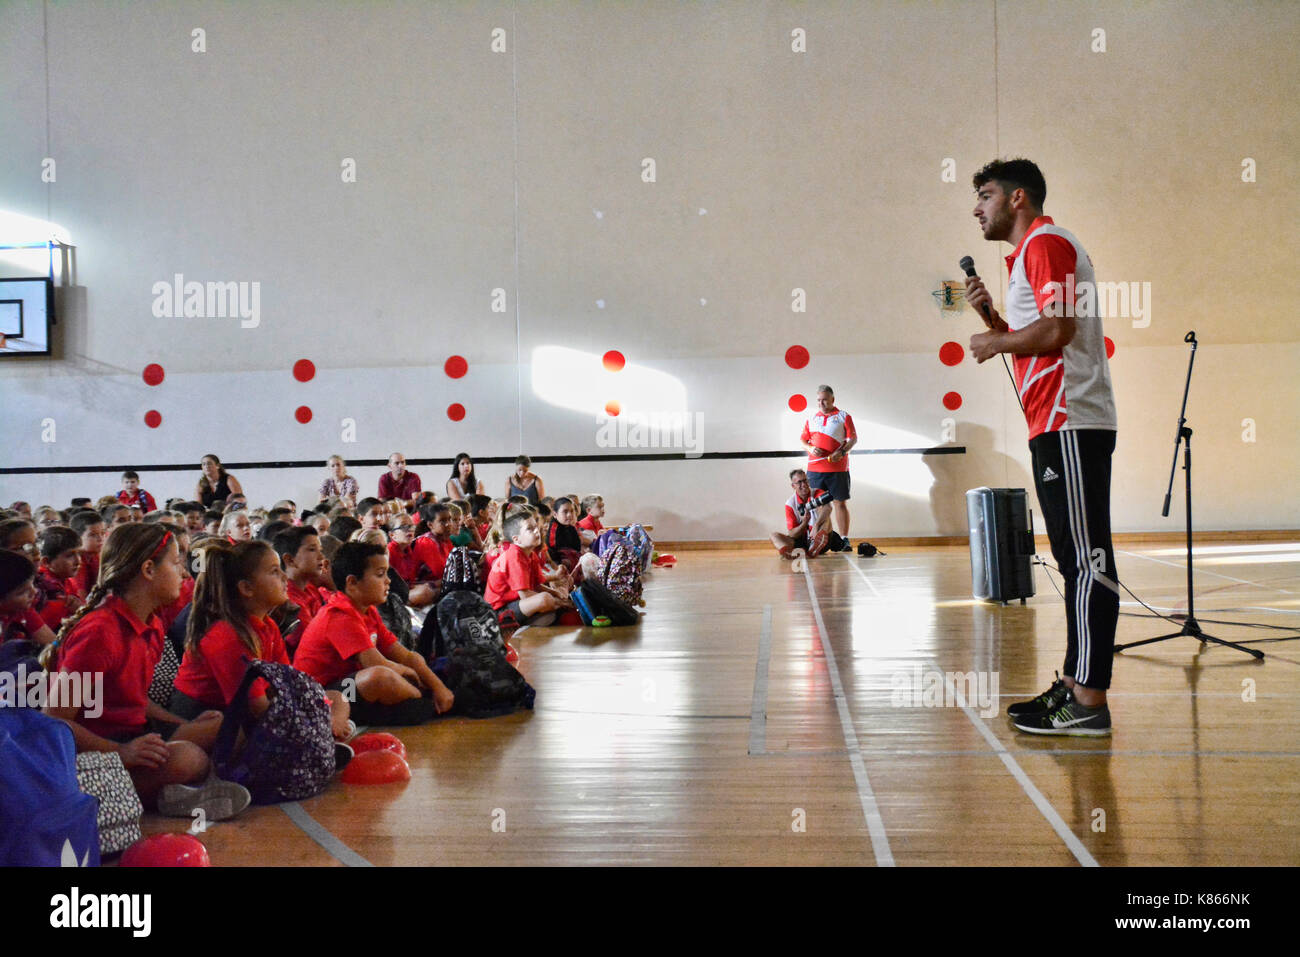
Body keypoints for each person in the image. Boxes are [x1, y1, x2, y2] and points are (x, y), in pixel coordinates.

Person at [965, 157, 1118, 737]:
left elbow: (1058, 331)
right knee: (1073, 559)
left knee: (1087, 561)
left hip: (1071, 418)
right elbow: (1039, 334)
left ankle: (1088, 699)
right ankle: (1077, 684)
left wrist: (996, 339)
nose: (977, 208)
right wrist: (993, 318)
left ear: (1018, 198)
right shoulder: (1029, 255)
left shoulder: (1047, 242)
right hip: (1053, 423)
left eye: (985, 195)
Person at [41, 523, 249, 818]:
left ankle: (175, 794)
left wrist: (177, 720)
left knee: (226, 728)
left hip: (131, 737)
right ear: (148, 569)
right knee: (189, 759)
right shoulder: (99, 632)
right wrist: (122, 753)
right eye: (176, 563)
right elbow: (55, 722)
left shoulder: (151, 623)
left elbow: (133, 698)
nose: (185, 573)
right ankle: (168, 793)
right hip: (93, 752)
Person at [293, 541, 454, 723]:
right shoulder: (339, 615)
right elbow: (375, 664)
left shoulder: (368, 610)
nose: (388, 580)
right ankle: (424, 703)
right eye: (380, 574)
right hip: (322, 694)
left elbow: (406, 656)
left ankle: (423, 703)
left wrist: (438, 686)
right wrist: (417, 682)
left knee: (417, 671)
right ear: (352, 583)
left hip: (348, 686)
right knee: (380, 677)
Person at [799, 385, 856, 549]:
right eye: (818, 400)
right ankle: (823, 538)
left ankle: (844, 539)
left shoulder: (843, 416)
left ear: (832, 400)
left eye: (824, 400)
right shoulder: (811, 418)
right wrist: (810, 448)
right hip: (815, 470)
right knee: (819, 506)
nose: (821, 403)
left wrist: (843, 452)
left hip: (838, 470)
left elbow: (853, 439)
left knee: (840, 503)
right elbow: (803, 440)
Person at [770, 469, 837, 559]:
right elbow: (792, 534)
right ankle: (790, 553)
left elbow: (828, 508)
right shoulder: (790, 503)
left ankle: (816, 546)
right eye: (799, 482)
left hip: (820, 537)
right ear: (793, 486)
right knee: (773, 536)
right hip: (802, 541)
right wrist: (805, 522)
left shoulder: (817, 492)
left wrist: (816, 526)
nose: (804, 485)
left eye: (805, 480)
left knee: (826, 516)